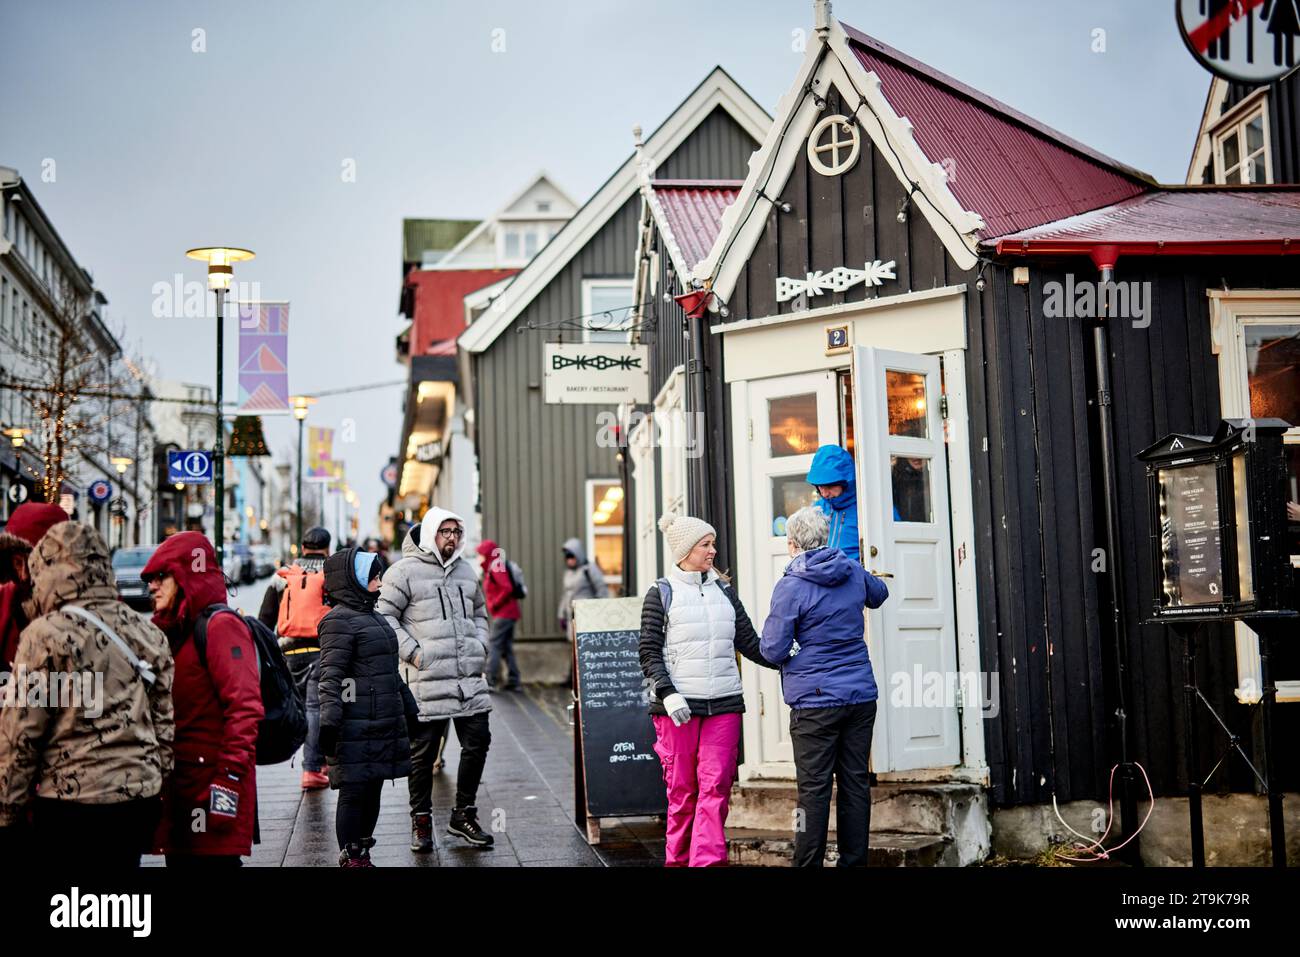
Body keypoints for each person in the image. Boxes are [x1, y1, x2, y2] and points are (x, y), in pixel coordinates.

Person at [0, 522, 174, 866]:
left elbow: (22, 734)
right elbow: (164, 724)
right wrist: (155, 780)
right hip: (137, 799)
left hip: (70, 803)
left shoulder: (45, 636)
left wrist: (7, 811)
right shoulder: (144, 630)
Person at [639, 513, 776, 867]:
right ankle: (677, 860)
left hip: (725, 705)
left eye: (712, 543)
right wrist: (667, 694)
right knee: (683, 792)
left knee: (715, 788)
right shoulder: (661, 593)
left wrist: (791, 657)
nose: (713, 550)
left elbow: (750, 643)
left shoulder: (724, 592)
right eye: (706, 544)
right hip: (678, 708)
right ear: (686, 550)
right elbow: (648, 651)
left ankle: (707, 862)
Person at [760, 506, 889, 867]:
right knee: (854, 785)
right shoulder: (848, 568)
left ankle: (808, 864)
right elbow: (879, 594)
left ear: (792, 544)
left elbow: (772, 649)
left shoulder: (791, 585)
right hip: (860, 696)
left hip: (814, 703)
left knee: (813, 792)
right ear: (826, 537)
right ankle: (853, 862)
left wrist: (798, 646)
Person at [142, 532, 263, 867]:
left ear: (185, 577)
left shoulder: (220, 626)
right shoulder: (173, 630)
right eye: (150, 578)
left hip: (213, 788)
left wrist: (227, 785)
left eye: (161, 576)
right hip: (181, 791)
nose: (152, 586)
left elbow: (246, 708)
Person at [378, 506, 494, 850]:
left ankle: (463, 816)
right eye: (445, 532)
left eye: (456, 532)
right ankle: (421, 822)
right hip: (426, 680)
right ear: (430, 533)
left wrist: (480, 646)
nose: (452, 538)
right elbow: (384, 616)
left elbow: (480, 613)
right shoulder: (403, 572)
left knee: (478, 743)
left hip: (468, 678)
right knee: (422, 755)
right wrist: (414, 653)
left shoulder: (466, 572)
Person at [317, 546, 418, 867]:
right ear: (355, 581)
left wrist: (410, 709)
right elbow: (330, 677)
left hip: (381, 722)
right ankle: (352, 857)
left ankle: (363, 850)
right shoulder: (338, 621)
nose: (379, 583)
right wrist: (329, 723)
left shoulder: (372, 615)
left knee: (372, 787)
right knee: (354, 792)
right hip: (352, 725)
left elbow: (389, 672)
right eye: (374, 578)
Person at [258, 526, 331, 790]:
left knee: (298, 707)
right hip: (321, 650)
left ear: (302, 548)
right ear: (327, 548)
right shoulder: (331, 574)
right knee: (315, 708)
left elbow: (265, 619)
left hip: (288, 651)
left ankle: (312, 759)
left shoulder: (282, 576)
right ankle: (313, 767)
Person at [0, 502, 70, 668]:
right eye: (16, 563)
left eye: (29, 563)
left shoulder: (87, 606)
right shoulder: (5, 599)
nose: (23, 575)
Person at [477, 538, 522, 692]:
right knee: (506, 647)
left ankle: (490, 680)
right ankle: (514, 680)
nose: (479, 558)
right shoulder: (493, 567)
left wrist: (494, 603)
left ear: (487, 554)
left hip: (504, 613)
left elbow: (507, 588)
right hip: (508, 613)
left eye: (481, 554)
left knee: (494, 645)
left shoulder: (496, 567)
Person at [806, 444, 860, 561]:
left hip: (855, 576)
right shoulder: (817, 510)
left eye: (829, 486)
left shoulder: (868, 507)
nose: (824, 494)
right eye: (820, 487)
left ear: (845, 482)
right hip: (823, 576)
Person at [557, 537, 608, 636]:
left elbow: (601, 589)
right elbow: (565, 595)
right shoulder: (568, 573)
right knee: (574, 647)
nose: (569, 560)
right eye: (567, 557)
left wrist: (601, 611)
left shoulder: (589, 569)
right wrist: (561, 615)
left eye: (572, 556)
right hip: (571, 616)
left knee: (586, 646)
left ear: (578, 554)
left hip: (588, 616)